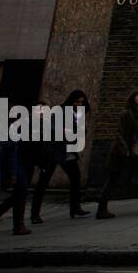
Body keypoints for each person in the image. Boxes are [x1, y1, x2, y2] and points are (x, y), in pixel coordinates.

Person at [95, 89, 138, 219]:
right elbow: (119, 133)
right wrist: (125, 150)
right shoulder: (126, 113)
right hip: (123, 152)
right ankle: (101, 208)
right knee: (113, 179)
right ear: (133, 98)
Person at [31, 90, 91, 222]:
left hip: (68, 151)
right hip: (54, 151)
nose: (79, 104)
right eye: (76, 102)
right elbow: (52, 128)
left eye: (81, 102)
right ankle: (34, 214)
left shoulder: (79, 115)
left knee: (76, 177)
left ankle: (75, 207)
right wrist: (64, 130)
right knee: (43, 182)